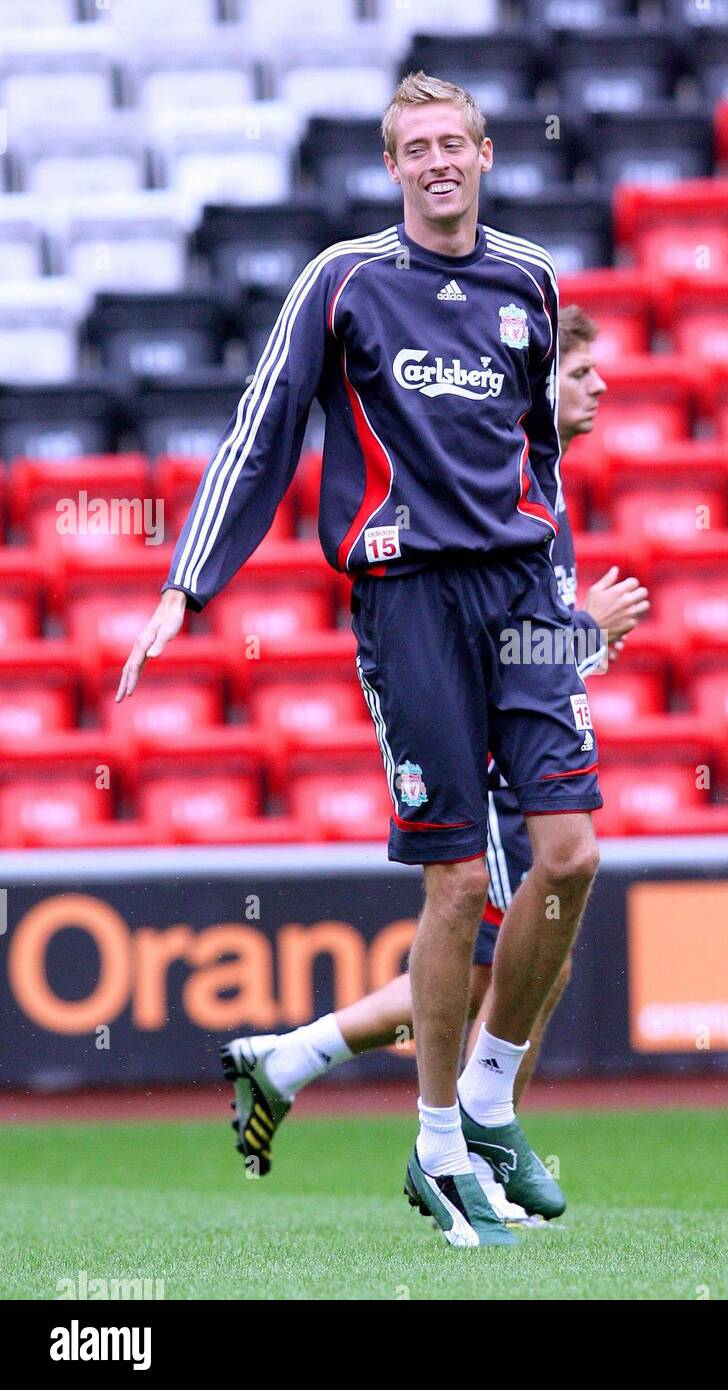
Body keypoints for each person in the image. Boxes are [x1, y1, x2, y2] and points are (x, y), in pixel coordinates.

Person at [118, 73, 612, 1249]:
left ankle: (487, 1102)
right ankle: (440, 1140)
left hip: (522, 589)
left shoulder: (532, 280)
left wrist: (560, 585)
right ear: (394, 168)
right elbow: (264, 424)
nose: (438, 161)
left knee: (573, 853)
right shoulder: (342, 281)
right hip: (407, 598)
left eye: (455, 141)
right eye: (415, 147)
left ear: (487, 154)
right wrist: (190, 582)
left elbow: (541, 453)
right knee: (454, 885)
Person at [217, 309, 647, 1225]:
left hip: (506, 754)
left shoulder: (541, 485)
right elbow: (502, 638)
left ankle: (297, 1061)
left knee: (527, 963)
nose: (596, 386)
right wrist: (586, 633)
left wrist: (570, 644)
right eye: (578, 371)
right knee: (504, 965)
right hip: (480, 765)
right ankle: (458, 1146)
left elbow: (521, 641)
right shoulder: (502, 488)